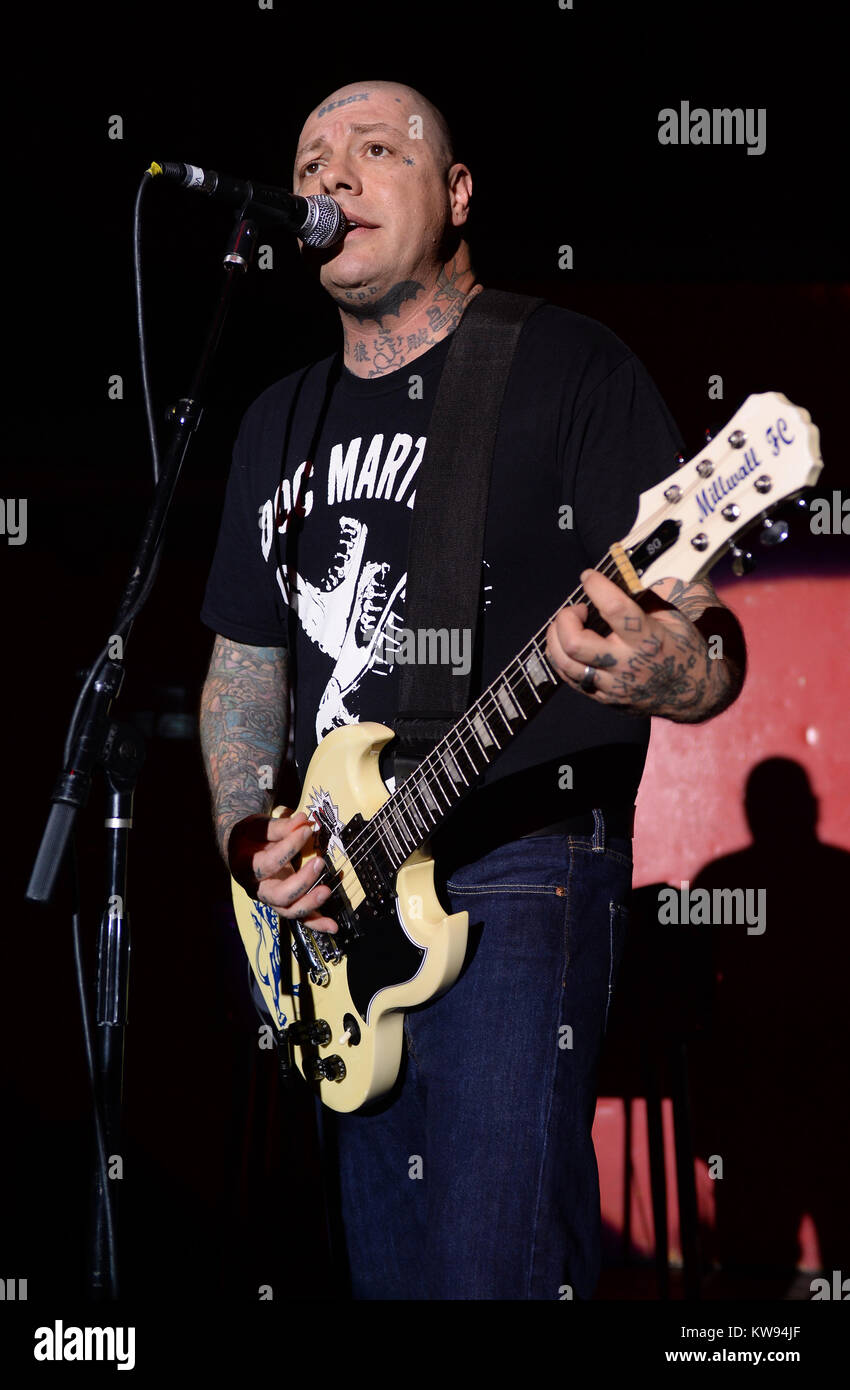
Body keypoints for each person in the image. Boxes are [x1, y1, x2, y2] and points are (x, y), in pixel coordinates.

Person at [198, 79, 746, 1300]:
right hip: (339, 907)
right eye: (308, 160)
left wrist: (687, 670)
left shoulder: (561, 362)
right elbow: (242, 668)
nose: (329, 177)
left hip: (515, 869)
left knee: (490, 1272)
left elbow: (699, 619)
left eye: (375, 151)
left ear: (453, 195)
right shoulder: (274, 422)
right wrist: (251, 840)